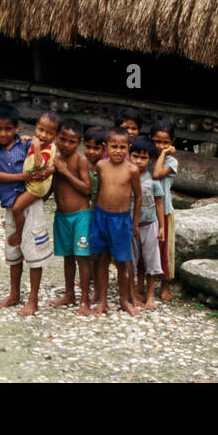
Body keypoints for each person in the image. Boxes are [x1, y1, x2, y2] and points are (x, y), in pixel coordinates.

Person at [0, 103, 53, 315]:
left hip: (31, 205)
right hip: (10, 207)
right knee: (13, 254)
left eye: (8, 129)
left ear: (16, 128)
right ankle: (14, 294)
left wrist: (33, 142)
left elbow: (46, 158)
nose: (3, 133)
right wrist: (24, 177)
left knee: (34, 253)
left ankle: (33, 300)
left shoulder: (25, 146)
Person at [88, 127, 141, 316]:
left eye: (122, 147)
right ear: (106, 147)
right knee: (101, 259)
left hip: (121, 220)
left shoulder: (132, 170)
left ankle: (124, 300)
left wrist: (134, 223)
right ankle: (102, 301)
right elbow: (98, 191)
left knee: (122, 262)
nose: (118, 151)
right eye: (114, 146)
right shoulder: (101, 165)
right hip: (101, 217)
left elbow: (138, 197)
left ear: (128, 147)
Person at [48, 118, 92, 314]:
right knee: (67, 257)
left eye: (71, 141)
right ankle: (69, 294)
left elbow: (87, 189)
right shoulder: (54, 157)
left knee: (82, 257)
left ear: (79, 142)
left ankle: (84, 300)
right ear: (57, 137)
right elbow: (51, 186)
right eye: (62, 139)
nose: (66, 145)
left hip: (80, 216)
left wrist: (65, 172)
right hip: (62, 216)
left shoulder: (80, 160)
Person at [5, 111, 61, 248]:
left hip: (36, 187)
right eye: (41, 130)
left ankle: (19, 233)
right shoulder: (39, 143)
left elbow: (38, 164)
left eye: (49, 133)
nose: (43, 135)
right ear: (36, 126)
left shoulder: (48, 149)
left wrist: (35, 146)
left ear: (55, 136)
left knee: (16, 208)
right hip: (31, 182)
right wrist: (29, 140)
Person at [128, 136, 165, 309]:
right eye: (135, 156)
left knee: (151, 261)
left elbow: (159, 203)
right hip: (129, 226)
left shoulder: (153, 181)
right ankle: (132, 292)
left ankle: (150, 296)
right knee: (130, 261)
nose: (139, 161)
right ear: (130, 155)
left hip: (149, 225)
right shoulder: (126, 178)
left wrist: (162, 227)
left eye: (143, 158)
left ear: (151, 159)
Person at [149, 120, 181, 301]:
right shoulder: (147, 157)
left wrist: (163, 154)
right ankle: (144, 283)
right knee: (149, 247)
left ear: (172, 142)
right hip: (148, 209)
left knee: (164, 249)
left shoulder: (172, 161)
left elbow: (157, 173)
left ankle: (165, 286)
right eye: (156, 142)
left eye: (165, 143)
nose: (161, 146)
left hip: (165, 211)